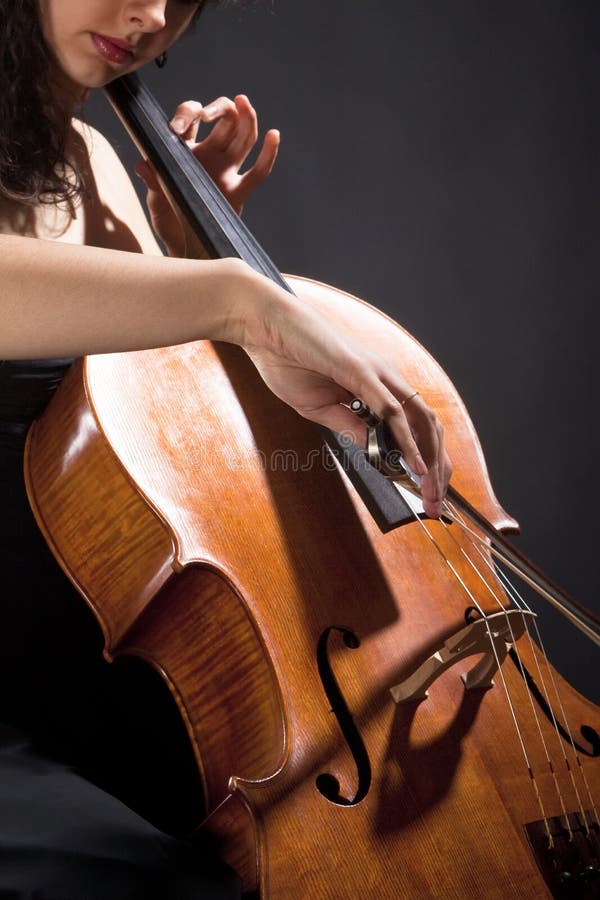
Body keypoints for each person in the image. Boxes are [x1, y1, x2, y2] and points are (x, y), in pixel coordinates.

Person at [0, 0, 451, 896]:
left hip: (98, 683)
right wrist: (236, 297)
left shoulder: (99, 164)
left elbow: (138, 451)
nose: (154, 14)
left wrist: (176, 243)